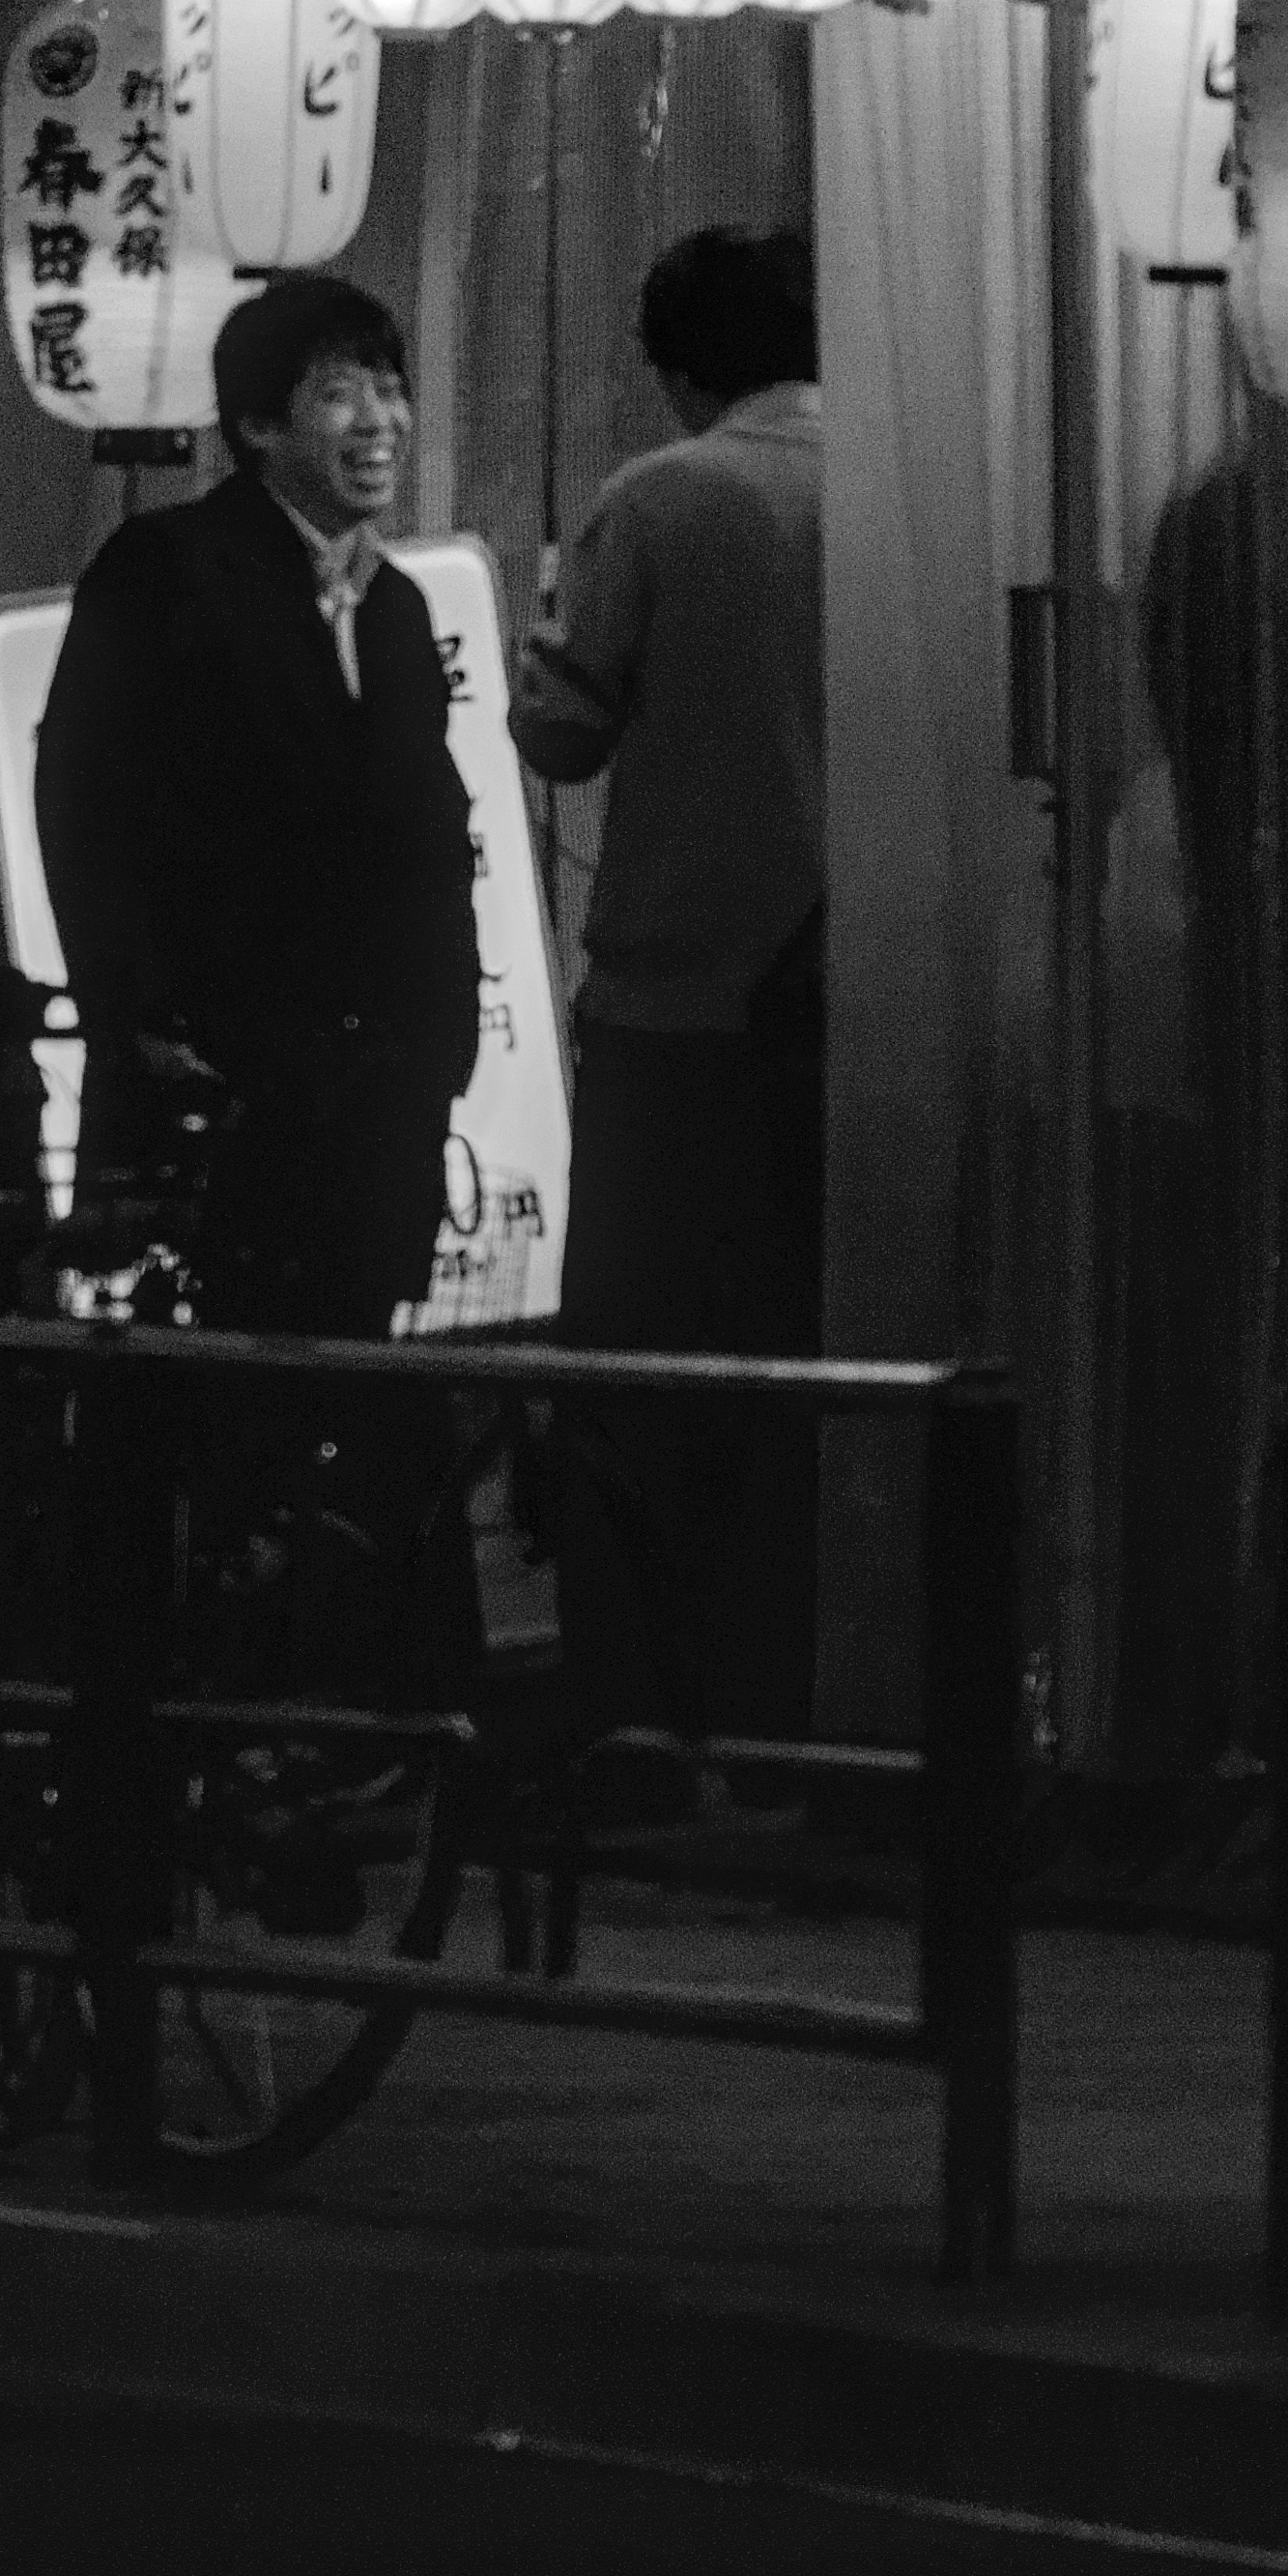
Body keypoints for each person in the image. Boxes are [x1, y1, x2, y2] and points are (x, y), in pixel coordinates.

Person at [509, 222, 824, 1754]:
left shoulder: (662, 496)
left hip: (684, 1005)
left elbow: (558, 734)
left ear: (678, 362)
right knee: (821, 1386)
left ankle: (636, 1726)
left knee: (638, 1382)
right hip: (863, 1008)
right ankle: (795, 1717)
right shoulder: (911, 481)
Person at [32, 275, 478, 1342]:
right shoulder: (165, 568)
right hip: (216, 1078)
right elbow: (83, 806)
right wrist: (137, 1014)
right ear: (257, 424)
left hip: (377, 1087)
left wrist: (441, 1040)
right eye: (339, 395)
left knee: (353, 1369)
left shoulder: (399, 605)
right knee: (196, 1395)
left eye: (389, 387)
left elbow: (425, 838)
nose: (379, 421)